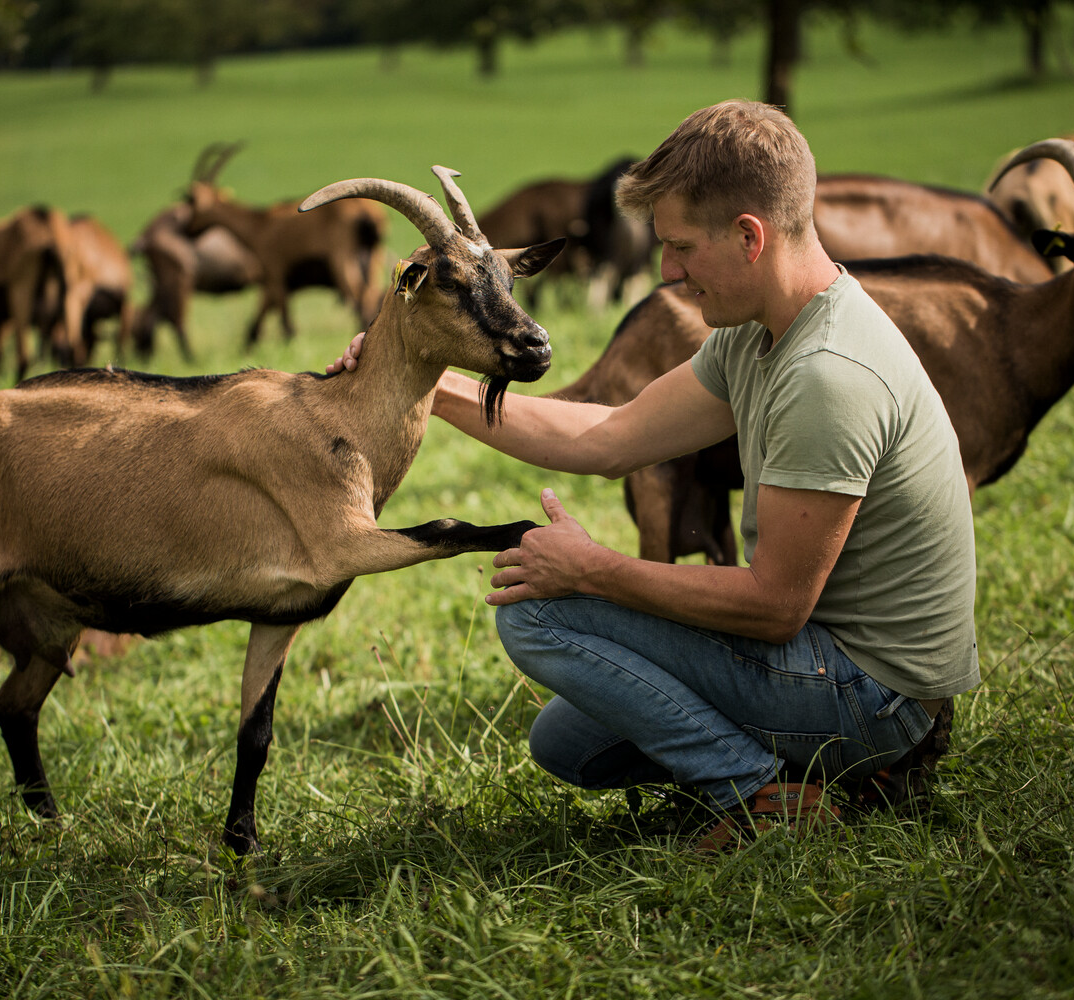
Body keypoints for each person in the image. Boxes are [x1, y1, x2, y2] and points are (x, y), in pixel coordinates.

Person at [329, 99, 978, 849]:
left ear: (748, 237)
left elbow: (774, 607)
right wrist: (436, 388)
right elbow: (612, 435)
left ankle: (762, 797)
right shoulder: (766, 331)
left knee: (537, 613)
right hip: (839, 667)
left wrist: (594, 570)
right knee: (570, 741)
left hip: (876, 698)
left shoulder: (827, 373)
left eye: (680, 248)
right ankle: (832, 775)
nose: (666, 272)